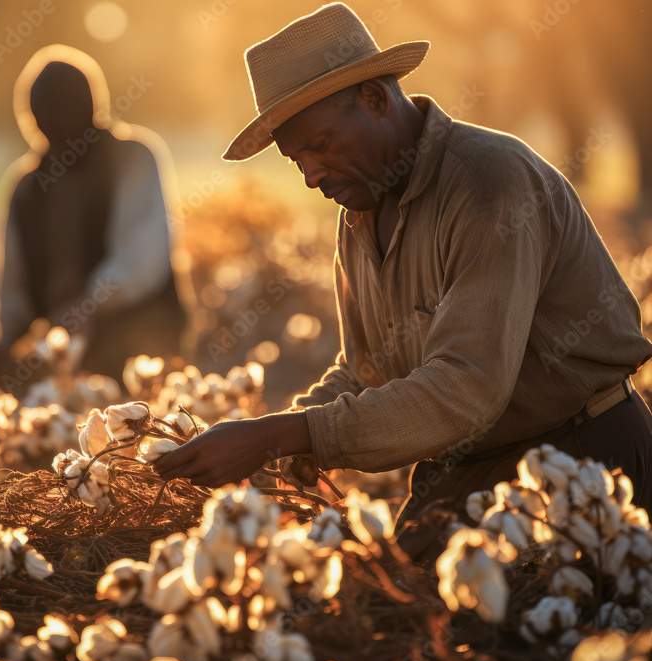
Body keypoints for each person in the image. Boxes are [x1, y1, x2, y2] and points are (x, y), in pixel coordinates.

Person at [154, 3, 652, 528]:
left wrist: (284, 435)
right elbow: (365, 371)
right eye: (297, 159)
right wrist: (276, 445)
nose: (310, 175)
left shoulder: (488, 184)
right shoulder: (358, 215)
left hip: (584, 466)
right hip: (466, 477)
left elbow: (467, 387)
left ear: (374, 98)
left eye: (320, 146)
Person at [0, 45, 188, 379]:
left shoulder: (133, 158)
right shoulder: (25, 188)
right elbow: (13, 283)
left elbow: (141, 260)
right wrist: (6, 337)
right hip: (62, 359)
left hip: (143, 351)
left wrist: (88, 305)